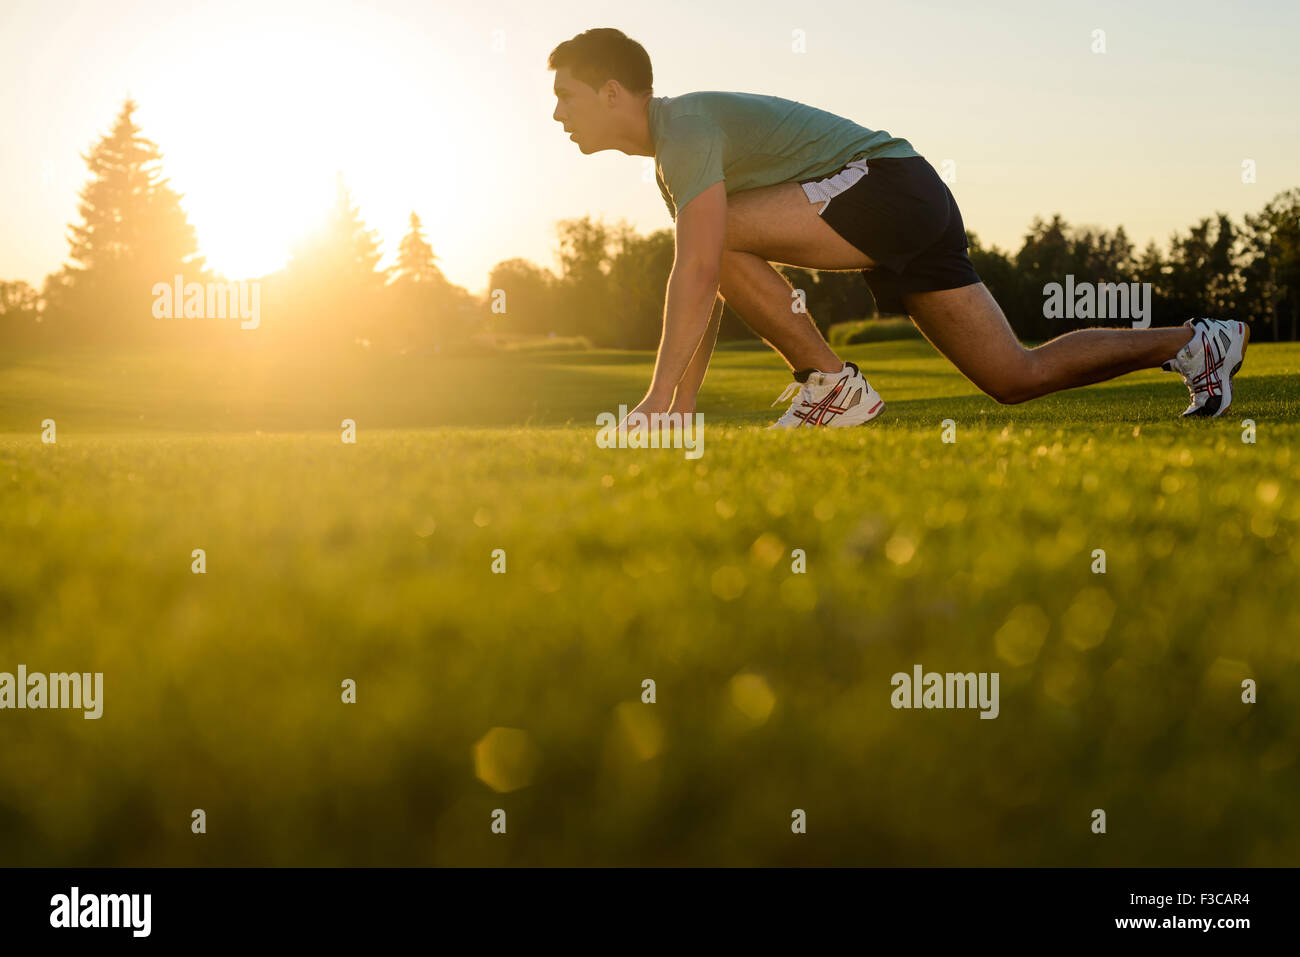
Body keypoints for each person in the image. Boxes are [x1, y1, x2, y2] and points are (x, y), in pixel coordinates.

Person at [548, 28, 1249, 428]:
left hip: (886, 185)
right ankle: (1198, 344)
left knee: (712, 242)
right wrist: (681, 406)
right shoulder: (675, 157)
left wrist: (652, 400)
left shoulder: (686, 127)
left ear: (613, 93)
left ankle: (831, 382)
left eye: (566, 97)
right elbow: (711, 281)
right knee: (1014, 374)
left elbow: (701, 269)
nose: (558, 115)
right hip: (906, 198)